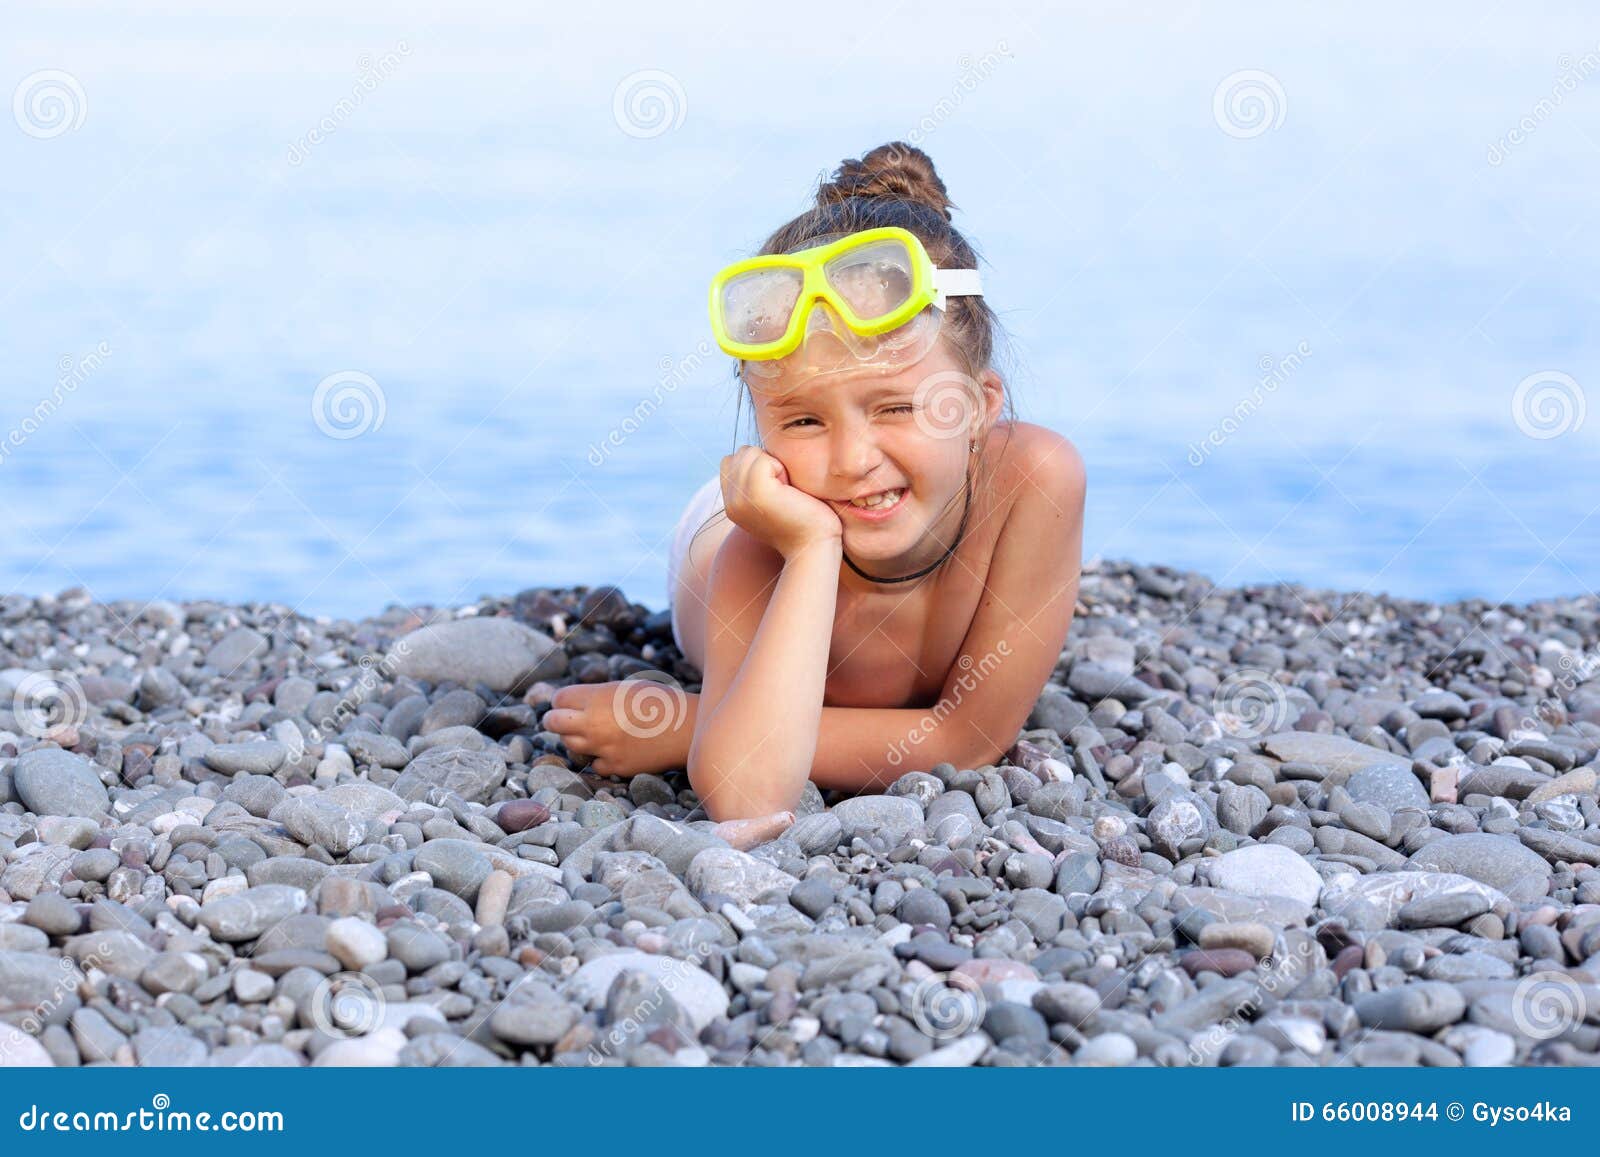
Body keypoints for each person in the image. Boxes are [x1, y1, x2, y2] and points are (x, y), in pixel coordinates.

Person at [544, 142, 1086, 822]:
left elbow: (969, 737)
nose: (852, 457)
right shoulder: (759, 545)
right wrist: (808, 548)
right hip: (745, 519)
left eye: (894, 407)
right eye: (802, 417)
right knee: (759, 525)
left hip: (841, 500)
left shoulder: (1037, 479)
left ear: (979, 404)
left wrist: (687, 728)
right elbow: (746, 795)